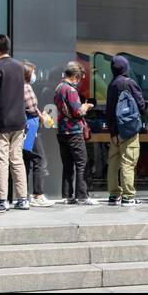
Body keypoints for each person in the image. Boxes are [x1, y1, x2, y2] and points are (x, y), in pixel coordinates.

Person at [0, 34, 29, 211]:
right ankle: (22, 199)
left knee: (0, 161)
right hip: (18, 121)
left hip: (0, 122)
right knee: (17, 160)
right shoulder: (19, 67)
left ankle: (1, 200)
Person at [105, 54, 146, 206]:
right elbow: (141, 105)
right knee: (128, 162)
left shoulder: (112, 84)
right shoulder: (129, 83)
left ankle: (113, 195)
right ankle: (128, 196)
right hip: (128, 130)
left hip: (114, 131)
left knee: (113, 163)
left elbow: (109, 109)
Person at [55, 61, 96, 205]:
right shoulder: (70, 90)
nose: (80, 81)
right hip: (73, 131)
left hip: (61, 131)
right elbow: (77, 111)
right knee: (81, 163)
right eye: (80, 78)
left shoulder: (59, 87)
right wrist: (86, 106)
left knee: (67, 164)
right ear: (76, 76)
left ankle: (67, 196)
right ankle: (83, 196)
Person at [22, 62, 53, 207]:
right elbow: (31, 107)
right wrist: (41, 116)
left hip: (28, 126)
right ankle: (38, 194)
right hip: (31, 127)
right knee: (39, 159)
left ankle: (24, 194)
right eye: (33, 72)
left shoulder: (20, 86)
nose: (34, 75)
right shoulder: (26, 87)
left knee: (26, 160)